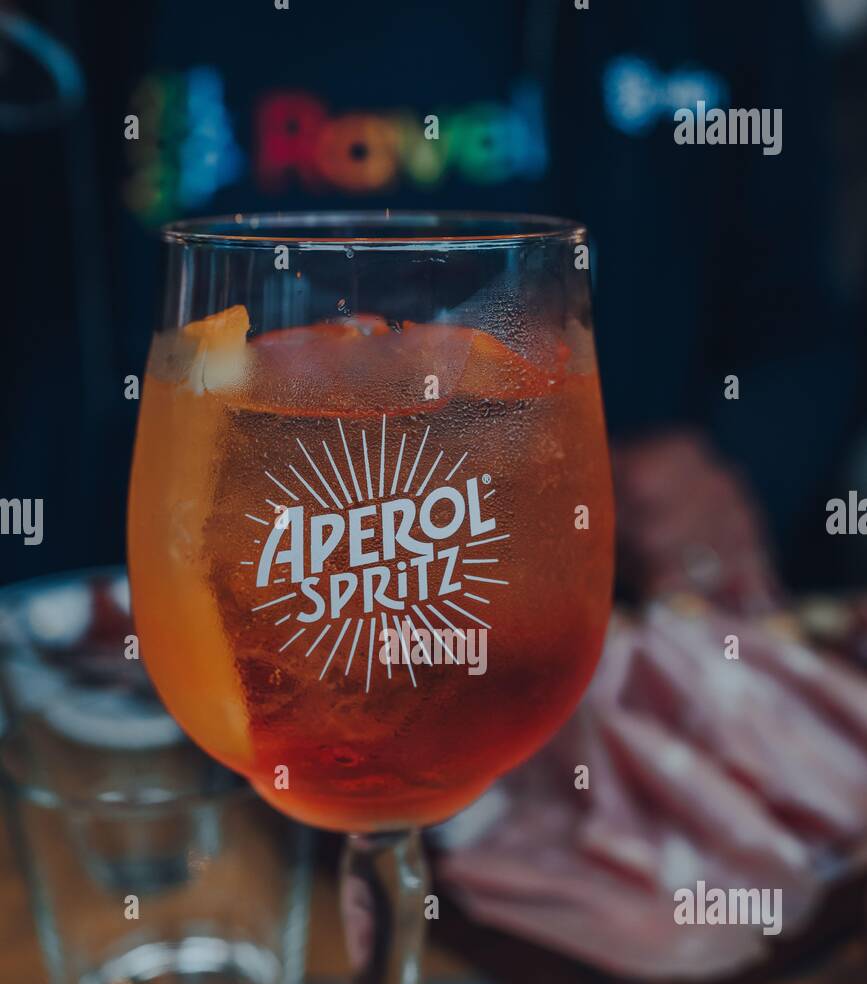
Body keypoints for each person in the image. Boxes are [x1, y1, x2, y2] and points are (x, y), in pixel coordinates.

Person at [1, 0, 857, 603]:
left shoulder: (714, 17)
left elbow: (800, 331)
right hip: (135, 683)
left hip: (552, 642)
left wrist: (733, 469)